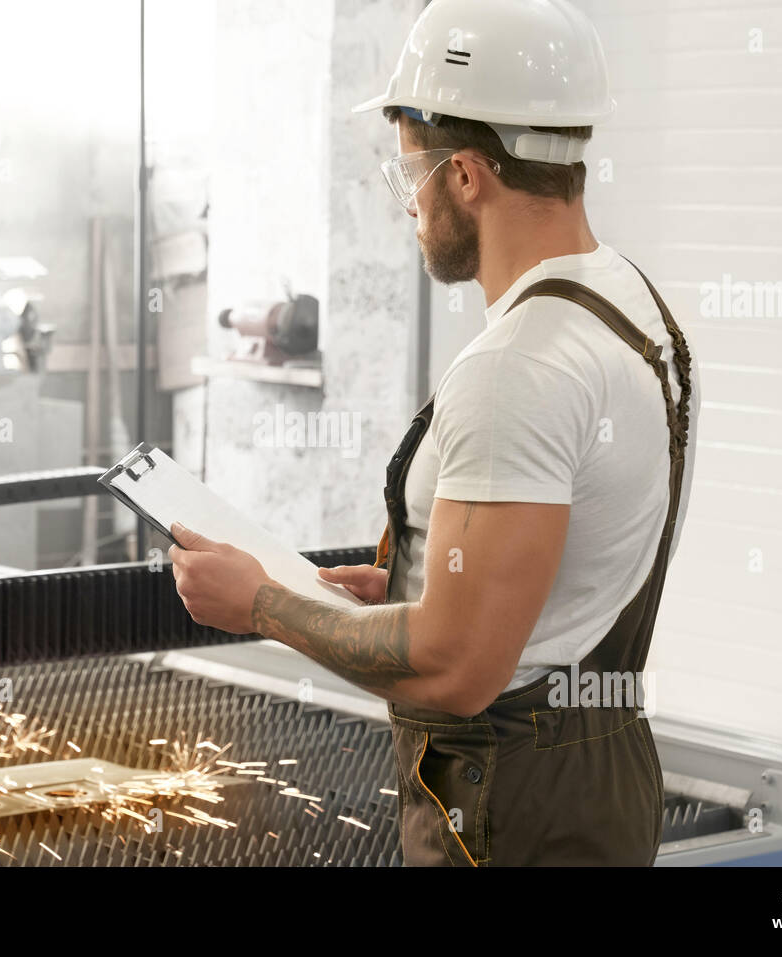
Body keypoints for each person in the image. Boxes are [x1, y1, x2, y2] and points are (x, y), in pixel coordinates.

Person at [168, 0, 700, 866]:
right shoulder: (639, 314)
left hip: (509, 800)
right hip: (600, 769)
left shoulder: (517, 367)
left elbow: (458, 668)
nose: (404, 203)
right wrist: (423, 579)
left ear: (464, 176)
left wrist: (261, 603)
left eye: (407, 172)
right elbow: (559, 585)